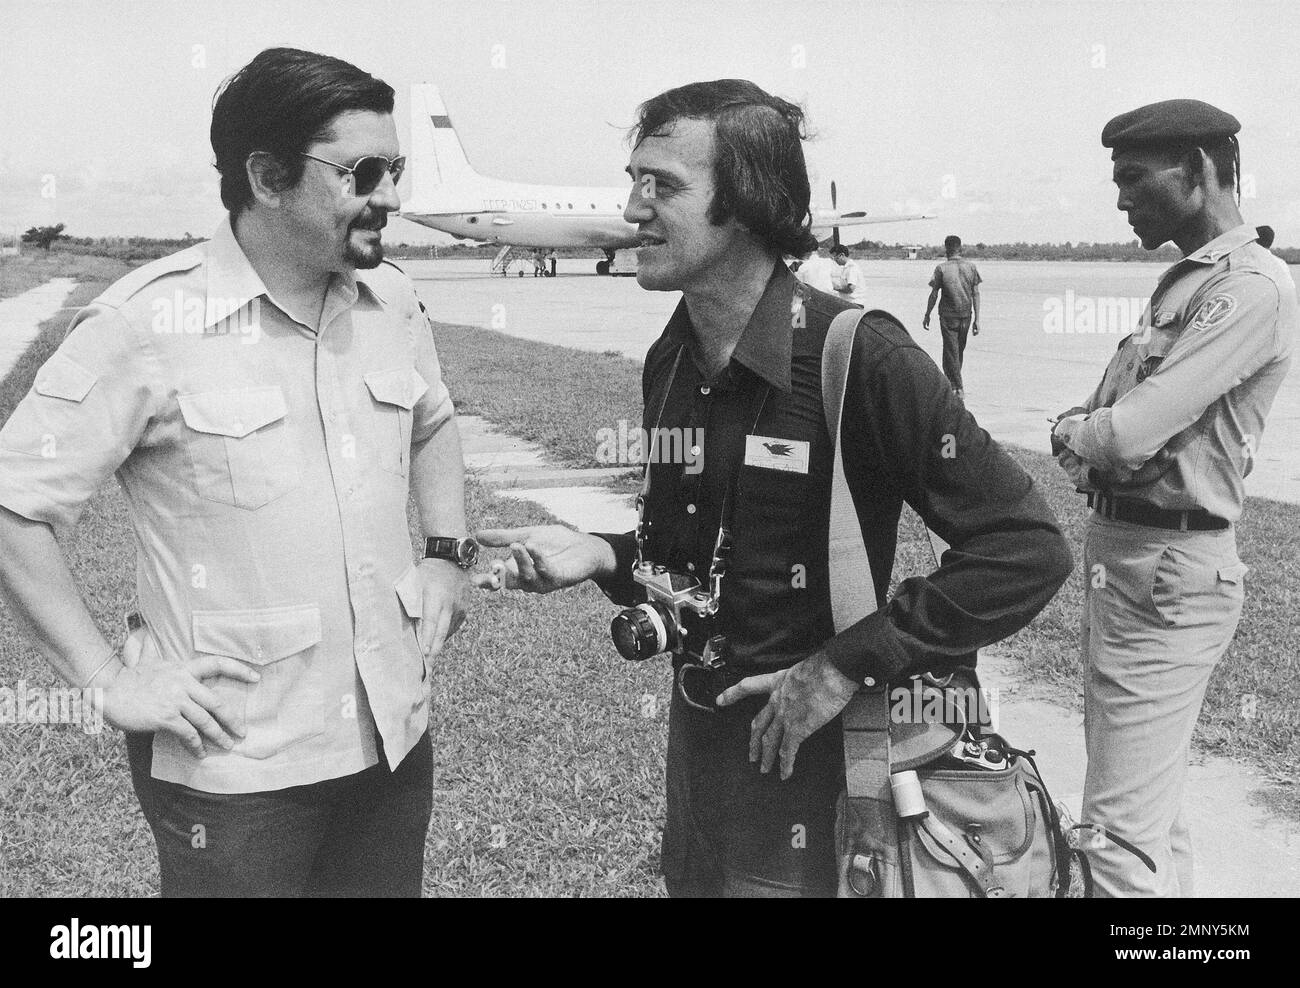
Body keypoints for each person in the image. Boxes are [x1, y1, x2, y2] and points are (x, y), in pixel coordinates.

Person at [473, 79, 1072, 897]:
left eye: (664, 186)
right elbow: (699, 562)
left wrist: (840, 667)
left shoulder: (859, 356)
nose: (633, 208)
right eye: (634, 180)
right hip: (701, 769)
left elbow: (1026, 549)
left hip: (823, 788)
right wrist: (603, 556)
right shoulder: (674, 358)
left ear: (748, 204)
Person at [0, 48, 476, 897]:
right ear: (266, 176)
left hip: (391, 738)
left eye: (395, 168)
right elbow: (13, 506)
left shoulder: (391, 301)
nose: (393, 197)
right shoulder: (147, 323)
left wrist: (444, 550)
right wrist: (107, 682)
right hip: (236, 770)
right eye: (364, 172)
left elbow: (434, 421)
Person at [1051, 99, 1296, 897]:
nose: (1121, 199)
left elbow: (1125, 436)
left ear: (1195, 170)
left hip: (1169, 570)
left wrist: (1072, 429)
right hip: (1129, 558)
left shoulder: (1251, 288)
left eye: (1132, 179)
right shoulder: (1190, 281)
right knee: (1152, 824)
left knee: (1114, 844)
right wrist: (1094, 428)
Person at [922, 235, 981, 399]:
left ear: (946, 248)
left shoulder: (941, 268)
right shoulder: (971, 267)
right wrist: (977, 319)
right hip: (966, 316)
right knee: (957, 351)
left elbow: (934, 294)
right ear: (960, 248)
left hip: (948, 316)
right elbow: (976, 294)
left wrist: (927, 314)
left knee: (951, 351)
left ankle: (957, 387)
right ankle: (952, 383)